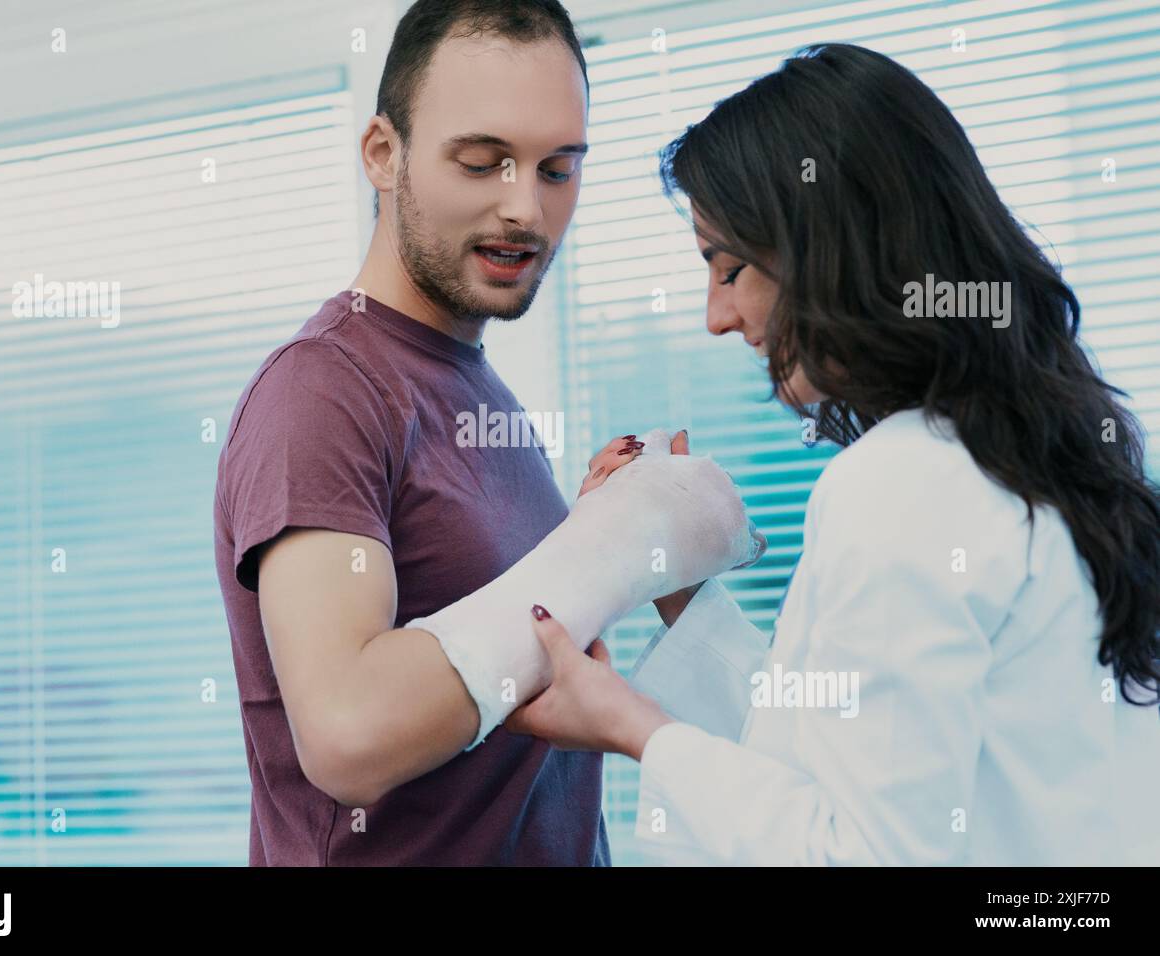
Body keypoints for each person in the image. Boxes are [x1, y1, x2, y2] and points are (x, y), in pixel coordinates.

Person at [502, 43, 1160, 865]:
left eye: (730, 267)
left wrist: (630, 726)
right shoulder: (1047, 456)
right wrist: (681, 595)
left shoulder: (901, 482)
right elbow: (833, 758)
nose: (717, 316)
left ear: (835, 249)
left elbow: (857, 855)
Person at [212, 0, 720, 866]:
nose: (524, 207)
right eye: (483, 163)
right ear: (383, 153)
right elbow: (348, 737)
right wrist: (608, 548)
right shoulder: (324, 391)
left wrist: (595, 542)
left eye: (558, 169)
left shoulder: (477, 394)